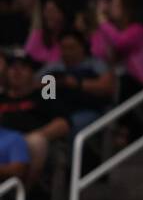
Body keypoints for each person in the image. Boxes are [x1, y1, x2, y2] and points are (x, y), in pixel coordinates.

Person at [0, 51, 70, 185]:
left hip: (30, 145)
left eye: (23, 67)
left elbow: (63, 124)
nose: (17, 71)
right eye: (12, 67)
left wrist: (23, 140)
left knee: (36, 142)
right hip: (3, 144)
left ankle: (22, 196)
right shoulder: (1, 97)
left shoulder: (44, 95)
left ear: (32, 72)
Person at [42, 30, 115, 135]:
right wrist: (52, 84)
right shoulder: (53, 67)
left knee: (72, 125)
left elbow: (107, 87)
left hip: (88, 110)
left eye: (71, 48)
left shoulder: (96, 64)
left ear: (82, 47)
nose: (67, 52)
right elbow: (35, 87)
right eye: (64, 48)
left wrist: (76, 83)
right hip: (57, 111)